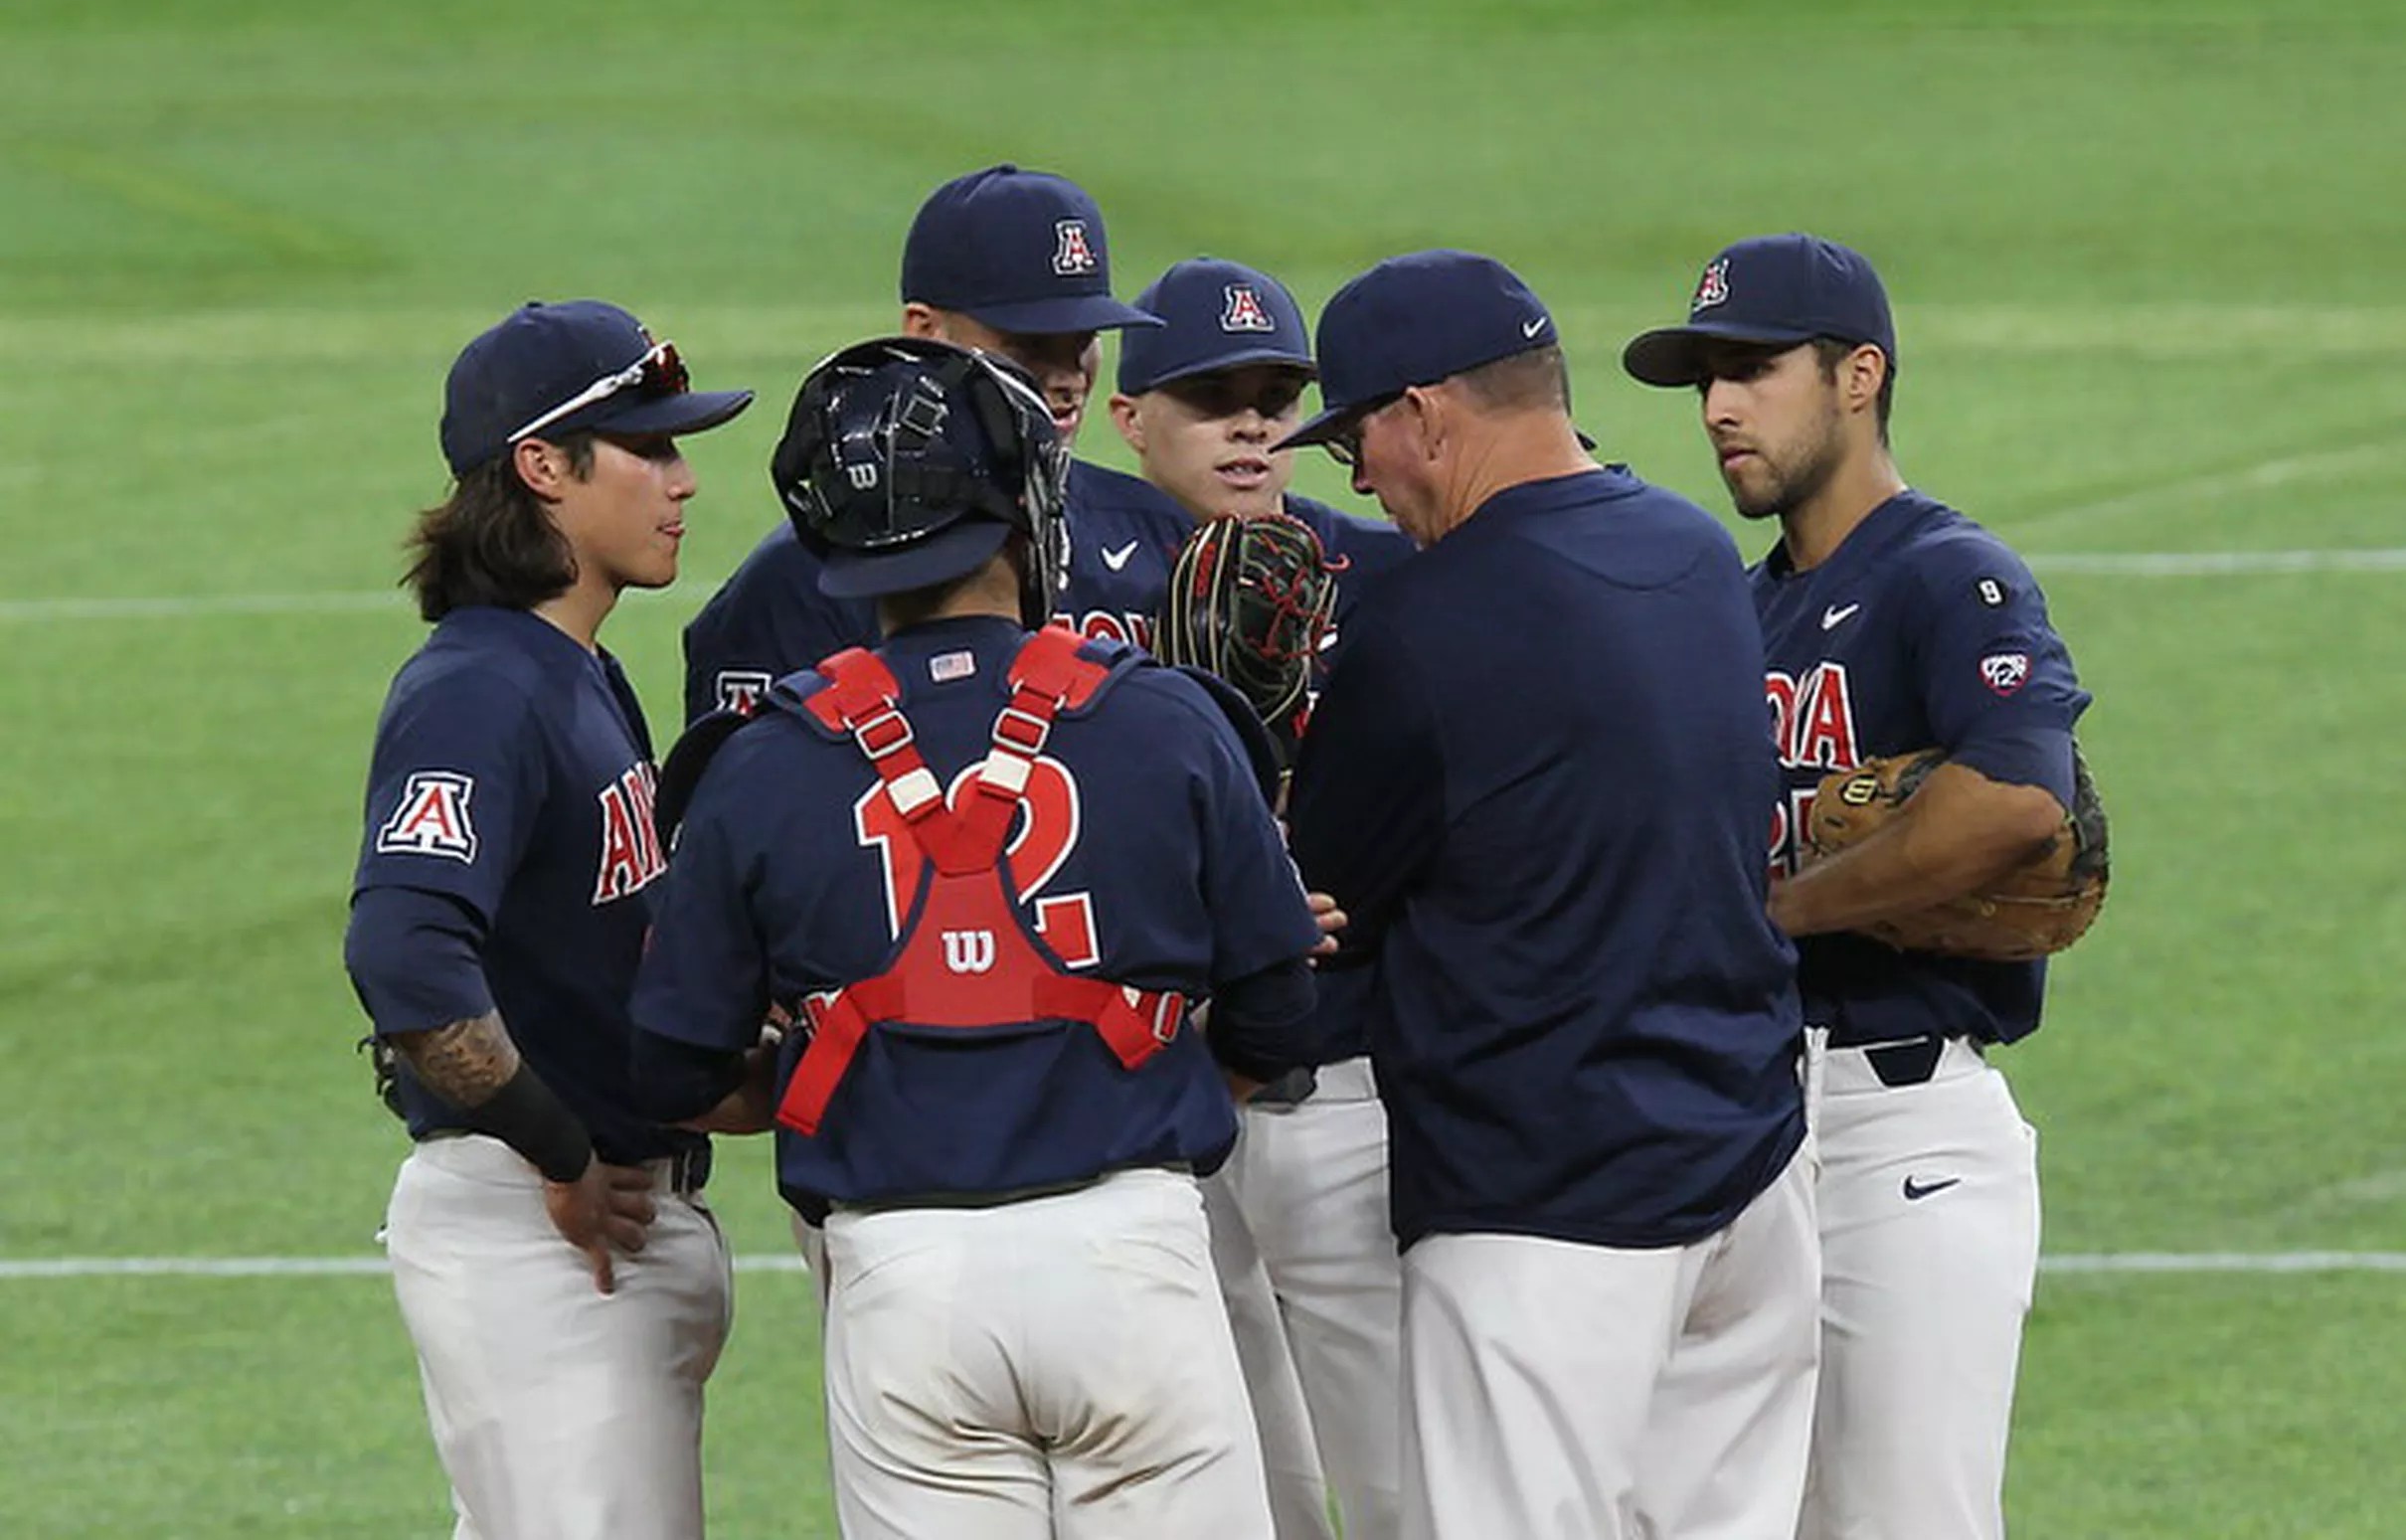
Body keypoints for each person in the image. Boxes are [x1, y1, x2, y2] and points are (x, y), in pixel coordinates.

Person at [629, 337, 1327, 1539]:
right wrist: (1152, 1073)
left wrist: (828, 1078)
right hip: (1133, 1255)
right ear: (1028, 511)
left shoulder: (760, 763)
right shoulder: (1164, 719)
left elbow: (674, 1071)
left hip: (905, 1283)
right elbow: (1277, 1006)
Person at [1281, 250, 1819, 1540]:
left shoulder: (1423, 626)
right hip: (1752, 1181)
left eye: (1356, 439)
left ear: (1423, 412)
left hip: (1546, 1209)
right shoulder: (1695, 558)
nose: (1355, 478)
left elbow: (1316, 907)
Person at [1623, 234, 2092, 1540]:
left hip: (1904, 1136)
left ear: (1858, 376)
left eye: (1753, 370)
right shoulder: (1737, 607)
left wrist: (1778, 912)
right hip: (1747, 1125)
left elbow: (2015, 799)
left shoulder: (1948, 573)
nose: (1718, 406)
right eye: (1705, 376)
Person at [341, 299, 754, 1540]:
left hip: (597, 1227)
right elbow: (403, 956)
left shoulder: (578, 672)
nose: (683, 479)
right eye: (651, 448)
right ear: (543, 467)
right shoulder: (476, 690)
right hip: (538, 1231)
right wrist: (563, 1154)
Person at [1110, 256, 1415, 1540]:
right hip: (1165, 1104)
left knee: (1419, 1488)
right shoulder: (1075, 595)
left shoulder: (1393, 578)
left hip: (1352, 1088)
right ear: (1129, 418)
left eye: (1275, 396)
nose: (1250, 424)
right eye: (1209, 396)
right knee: (1240, 1502)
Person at [683, 164, 1195, 725]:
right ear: (926, 333)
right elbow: (748, 798)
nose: (1068, 376)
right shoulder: (800, 580)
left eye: (1084, 342)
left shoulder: (1160, 535)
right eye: (1029, 346)